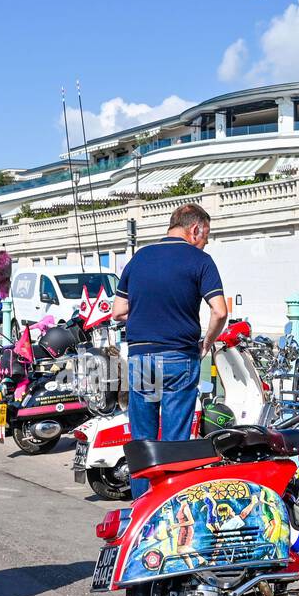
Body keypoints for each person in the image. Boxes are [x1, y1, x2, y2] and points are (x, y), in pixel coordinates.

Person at [112, 203, 228, 500]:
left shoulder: (138, 259)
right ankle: (168, 506)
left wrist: (146, 316)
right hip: (179, 357)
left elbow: (119, 311)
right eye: (206, 236)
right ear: (196, 229)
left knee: (143, 440)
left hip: (142, 359)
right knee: (174, 442)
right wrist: (207, 342)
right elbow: (219, 311)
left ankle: (141, 508)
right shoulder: (200, 260)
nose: (205, 242)